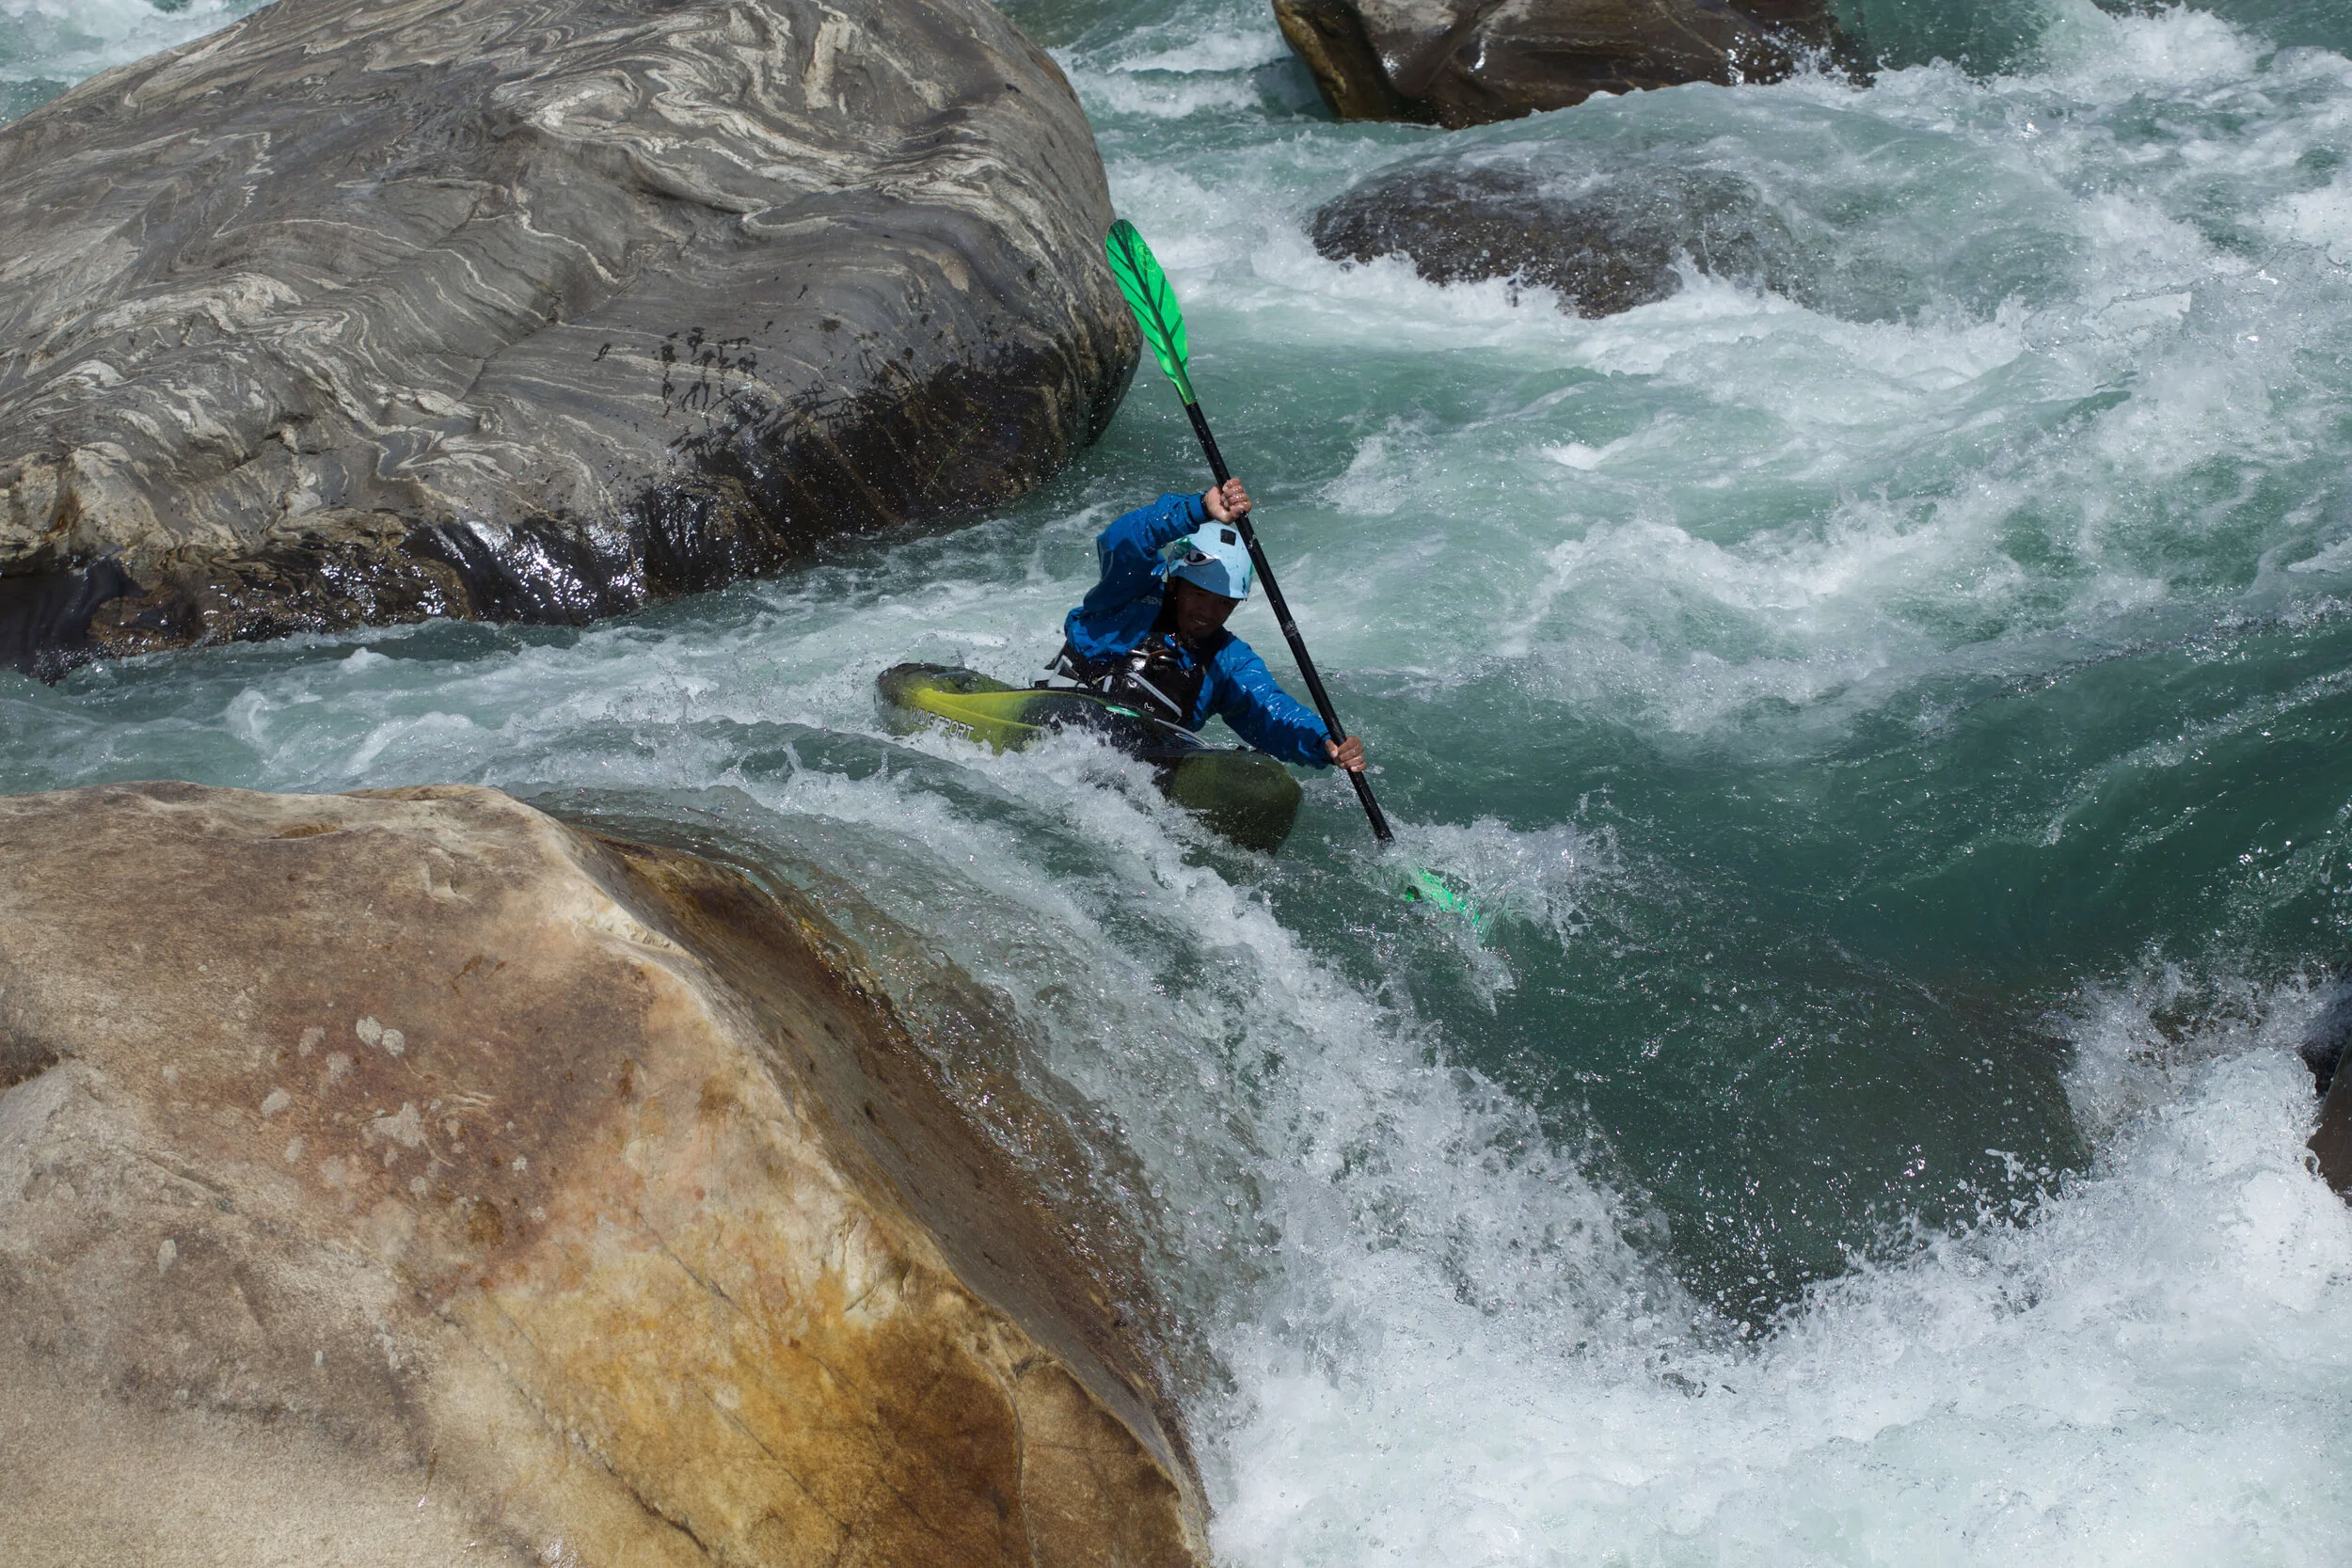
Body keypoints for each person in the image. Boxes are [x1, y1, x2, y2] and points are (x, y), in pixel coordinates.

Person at [1052, 479, 1367, 773]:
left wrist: (1323, 741)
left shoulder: (1227, 661)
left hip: (1134, 766)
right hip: (1058, 719)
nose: (1209, 612)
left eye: (1224, 602)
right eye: (1200, 594)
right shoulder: (1125, 597)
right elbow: (1124, 540)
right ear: (1175, 581)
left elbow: (1272, 709)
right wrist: (1197, 508)